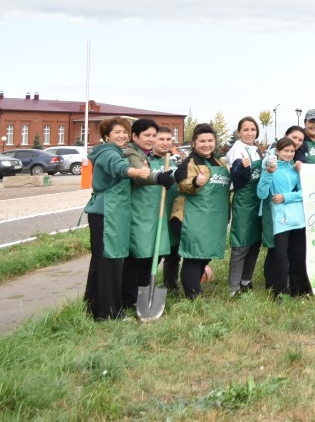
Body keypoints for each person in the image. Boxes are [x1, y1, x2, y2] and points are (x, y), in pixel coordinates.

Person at [84, 117, 156, 321]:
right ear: (107, 135)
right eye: (117, 132)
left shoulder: (116, 151)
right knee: (110, 263)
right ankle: (109, 313)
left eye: (125, 132)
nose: (122, 135)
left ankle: (94, 309)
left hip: (110, 213)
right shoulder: (108, 152)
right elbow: (118, 168)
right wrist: (137, 172)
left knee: (102, 263)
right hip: (107, 214)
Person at [167, 123, 230, 298]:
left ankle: (194, 288)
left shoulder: (219, 162)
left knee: (204, 255)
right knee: (194, 255)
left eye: (210, 140)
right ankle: (192, 294)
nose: (206, 144)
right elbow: (181, 182)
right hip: (188, 218)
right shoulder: (189, 163)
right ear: (194, 143)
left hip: (210, 219)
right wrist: (195, 182)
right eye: (202, 140)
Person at [122, 118, 177, 312]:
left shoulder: (148, 155)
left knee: (149, 257)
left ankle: (142, 297)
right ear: (135, 136)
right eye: (147, 135)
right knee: (138, 257)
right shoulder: (131, 153)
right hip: (138, 213)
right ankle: (128, 299)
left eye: (153, 135)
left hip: (151, 214)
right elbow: (140, 174)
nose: (151, 139)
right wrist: (158, 177)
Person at [259, 136, 311, 298]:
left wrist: (285, 197)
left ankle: (300, 288)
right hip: (281, 219)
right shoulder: (270, 168)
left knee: (298, 254)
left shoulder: (295, 170)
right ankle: (280, 290)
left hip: (298, 219)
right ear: (277, 151)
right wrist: (268, 173)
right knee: (281, 256)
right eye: (285, 151)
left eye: (292, 151)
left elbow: (304, 193)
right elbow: (261, 193)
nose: (289, 154)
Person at [225, 116, 264, 294]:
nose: (249, 133)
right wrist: (242, 168)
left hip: (258, 200)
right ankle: (234, 287)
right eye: (246, 130)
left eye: (252, 129)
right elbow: (236, 178)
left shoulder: (257, 150)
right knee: (242, 243)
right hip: (244, 201)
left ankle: (246, 280)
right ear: (239, 132)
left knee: (255, 242)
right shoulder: (237, 150)